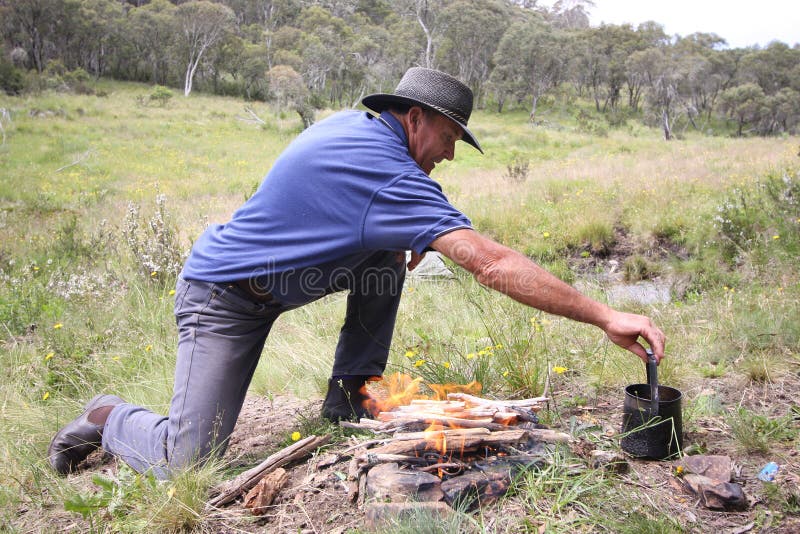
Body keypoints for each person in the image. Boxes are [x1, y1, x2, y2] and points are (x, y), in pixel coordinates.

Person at [48, 67, 666, 479]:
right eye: (450, 136)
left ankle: (348, 399)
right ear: (415, 118)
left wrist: (394, 243)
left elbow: (358, 217)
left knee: (392, 257)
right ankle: (108, 415)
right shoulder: (387, 172)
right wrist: (605, 313)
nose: (450, 153)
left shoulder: (360, 131)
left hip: (280, 284)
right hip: (224, 297)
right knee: (188, 458)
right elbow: (493, 263)